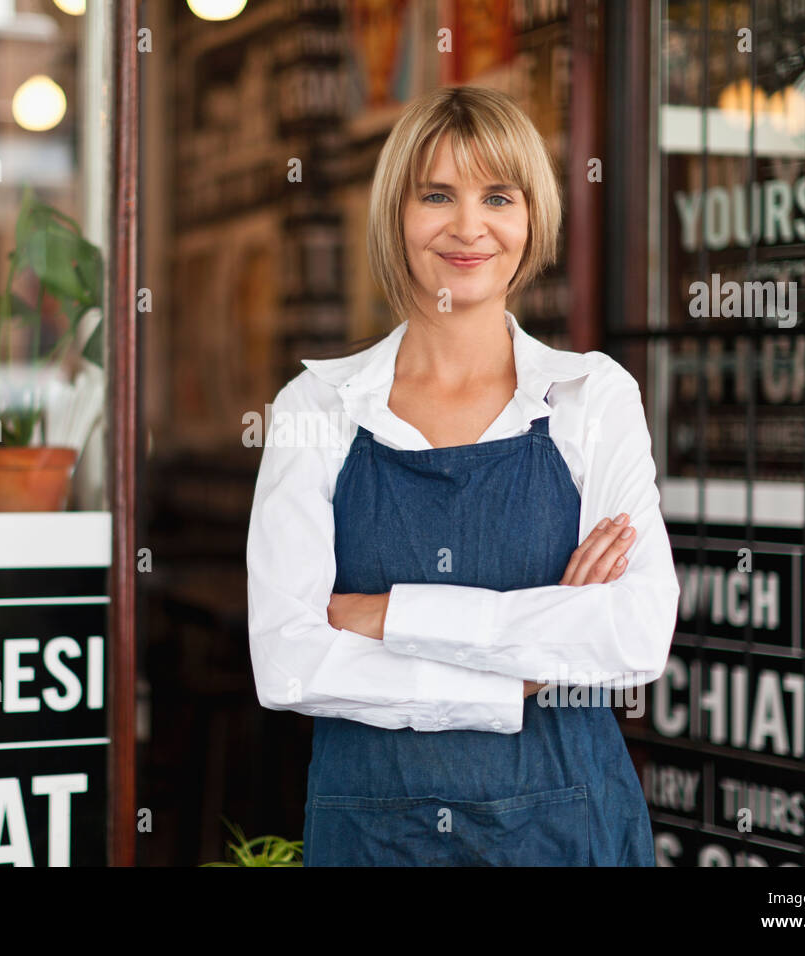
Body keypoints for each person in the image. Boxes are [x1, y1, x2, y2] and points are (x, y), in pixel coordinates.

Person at [245, 85, 680, 866]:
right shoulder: (318, 406)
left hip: (568, 828)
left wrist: (384, 615)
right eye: (436, 195)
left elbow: (635, 634)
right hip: (371, 839)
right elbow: (286, 663)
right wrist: (519, 672)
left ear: (530, 217)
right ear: (395, 216)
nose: (469, 226)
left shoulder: (590, 396)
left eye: (498, 196)